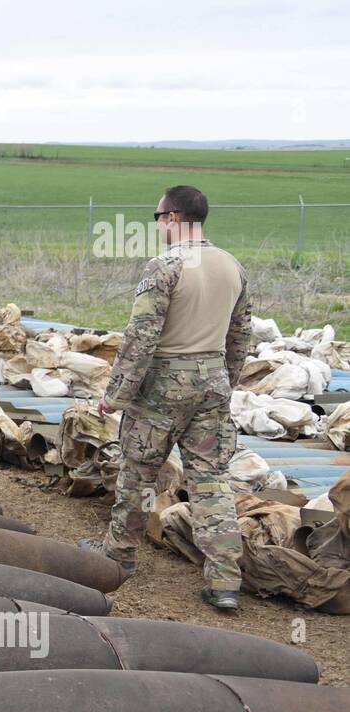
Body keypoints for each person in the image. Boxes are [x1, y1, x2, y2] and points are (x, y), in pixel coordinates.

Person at [79, 185, 251, 611]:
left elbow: (141, 336)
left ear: (173, 218)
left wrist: (116, 395)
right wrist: (224, 381)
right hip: (211, 382)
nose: (157, 226)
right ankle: (225, 579)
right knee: (211, 481)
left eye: (158, 218)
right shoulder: (232, 266)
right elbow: (241, 333)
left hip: (162, 386)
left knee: (139, 474)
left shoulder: (165, 267)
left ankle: (119, 555)